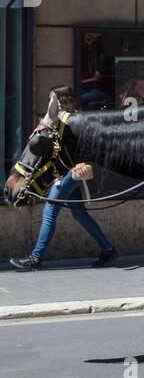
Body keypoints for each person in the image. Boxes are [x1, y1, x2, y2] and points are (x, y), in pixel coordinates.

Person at [10, 87, 118, 272]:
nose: (50, 104)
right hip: (69, 172)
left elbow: (82, 145)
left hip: (69, 173)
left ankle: (35, 258)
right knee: (79, 213)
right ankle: (107, 249)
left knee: (50, 211)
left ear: (61, 101)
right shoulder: (62, 120)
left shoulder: (70, 121)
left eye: (52, 99)